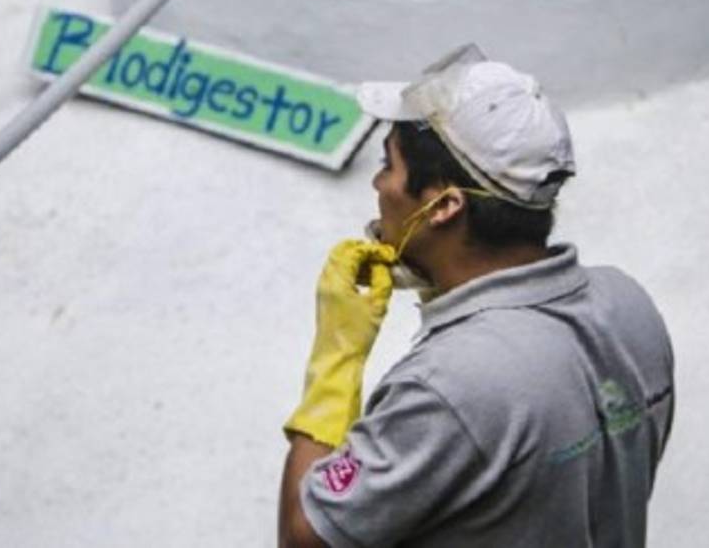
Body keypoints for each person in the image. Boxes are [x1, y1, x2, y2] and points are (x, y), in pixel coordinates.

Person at [278, 46, 675, 547]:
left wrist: (335, 362)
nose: (378, 185)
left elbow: (304, 535)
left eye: (387, 165)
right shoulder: (629, 306)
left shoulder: (449, 386)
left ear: (444, 205)